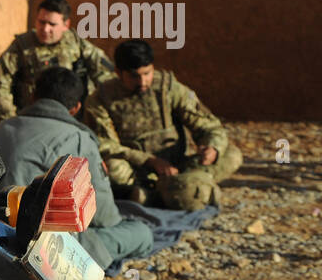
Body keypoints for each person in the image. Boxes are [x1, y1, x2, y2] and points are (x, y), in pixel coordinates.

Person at [0, 67, 154, 271]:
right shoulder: (78, 139)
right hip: (44, 248)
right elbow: (104, 216)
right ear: (76, 108)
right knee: (142, 233)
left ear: (33, 96)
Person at [84, 39, 242, 211]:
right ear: (118, 73)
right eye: (135, 76)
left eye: (147, 73)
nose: (143, 82)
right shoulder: (101, 99)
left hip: (176, 167)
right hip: (135, 171)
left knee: (232, 154)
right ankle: (183, 190)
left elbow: (209, 125)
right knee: (112, 167)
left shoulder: (168, 89)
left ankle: (161, 194)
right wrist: (149, 161)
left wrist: (212, 148)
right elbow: (104, 145)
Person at [0, 0, 114, 120]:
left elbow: (106, 78)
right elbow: (1, 88)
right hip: (32, 119)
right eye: (41, 22)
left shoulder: (77, 44)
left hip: (73, 119)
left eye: (52, 24)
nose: (45, 29)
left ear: (66, 25)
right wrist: (14, 121)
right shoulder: (21, 46)